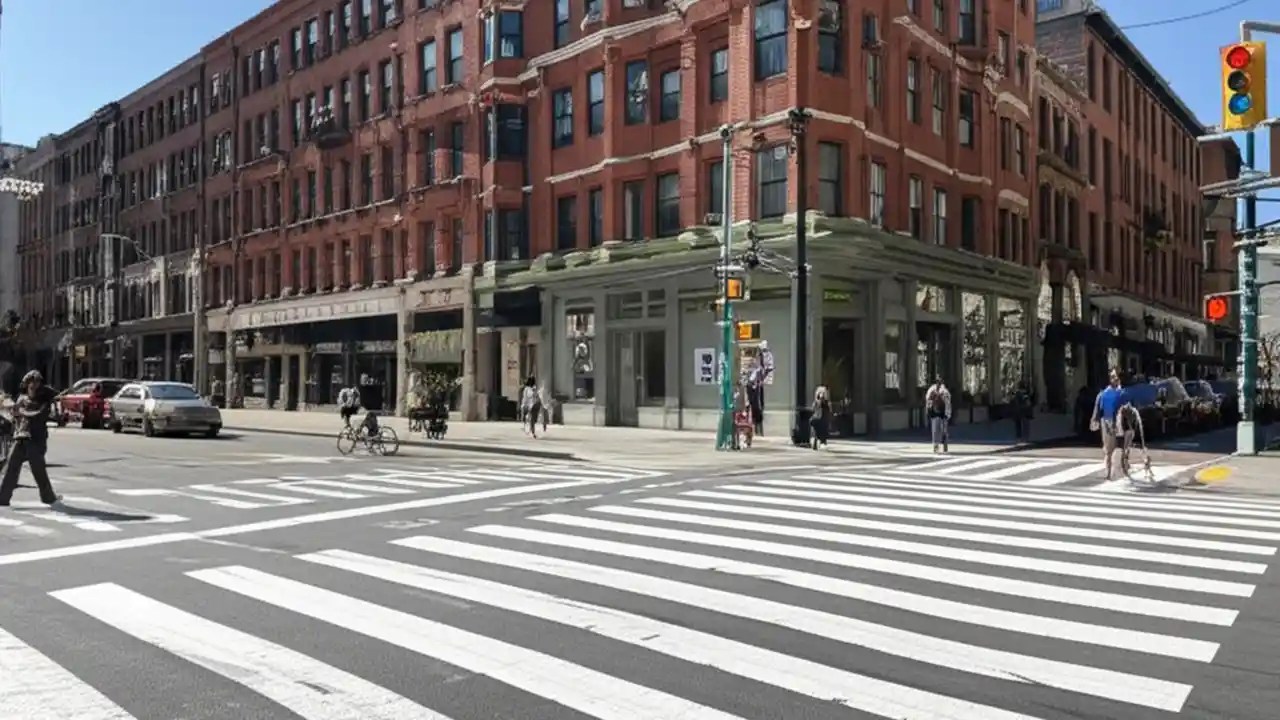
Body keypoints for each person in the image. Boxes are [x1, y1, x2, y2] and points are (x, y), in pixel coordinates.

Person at [0, 371, 60, 507]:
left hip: (36, 440)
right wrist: (14, 412)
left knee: (39, 471)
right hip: (21, 437)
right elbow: (16, 417)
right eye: (31, 382)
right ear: (26, 384)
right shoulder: (21, 399)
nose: (33, 385)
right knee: (11, 468)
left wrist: (21, 411)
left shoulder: (44, 402)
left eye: (37, 382)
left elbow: (37, 416)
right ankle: (3, 498)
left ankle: (48, 497)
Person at [1090, 369, 1131, 481]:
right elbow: (1097, 409)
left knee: (1124, 449)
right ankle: (1108, 473)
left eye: (1117, 377)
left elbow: (1131, 409)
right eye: (1113, 377)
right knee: (1109, 450)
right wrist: (1095, 419)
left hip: (1123, 424)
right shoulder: (1103, 394)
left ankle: (1124, 468)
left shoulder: (1124, 393)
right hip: (1108, 423)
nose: (1115, 379)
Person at [924, 376, 951, 454]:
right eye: (938, 382)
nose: (939, 383)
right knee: (938, 430)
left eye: (939, 382)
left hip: (940, 413)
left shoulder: (943, 391)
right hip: (937, 413)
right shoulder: (934, 390)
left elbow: (948, 403)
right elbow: (928, 400)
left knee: (941, 430)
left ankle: (942, 444)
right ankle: (938, 446)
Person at [809, 386, 832, 450]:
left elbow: (813, 409)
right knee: (820, 432)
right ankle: (819, 442)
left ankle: (819, 442)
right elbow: (813, 409)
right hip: (820, 419)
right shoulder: (819, 402)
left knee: (820, 432)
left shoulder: (823, 402)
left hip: (821, 419)